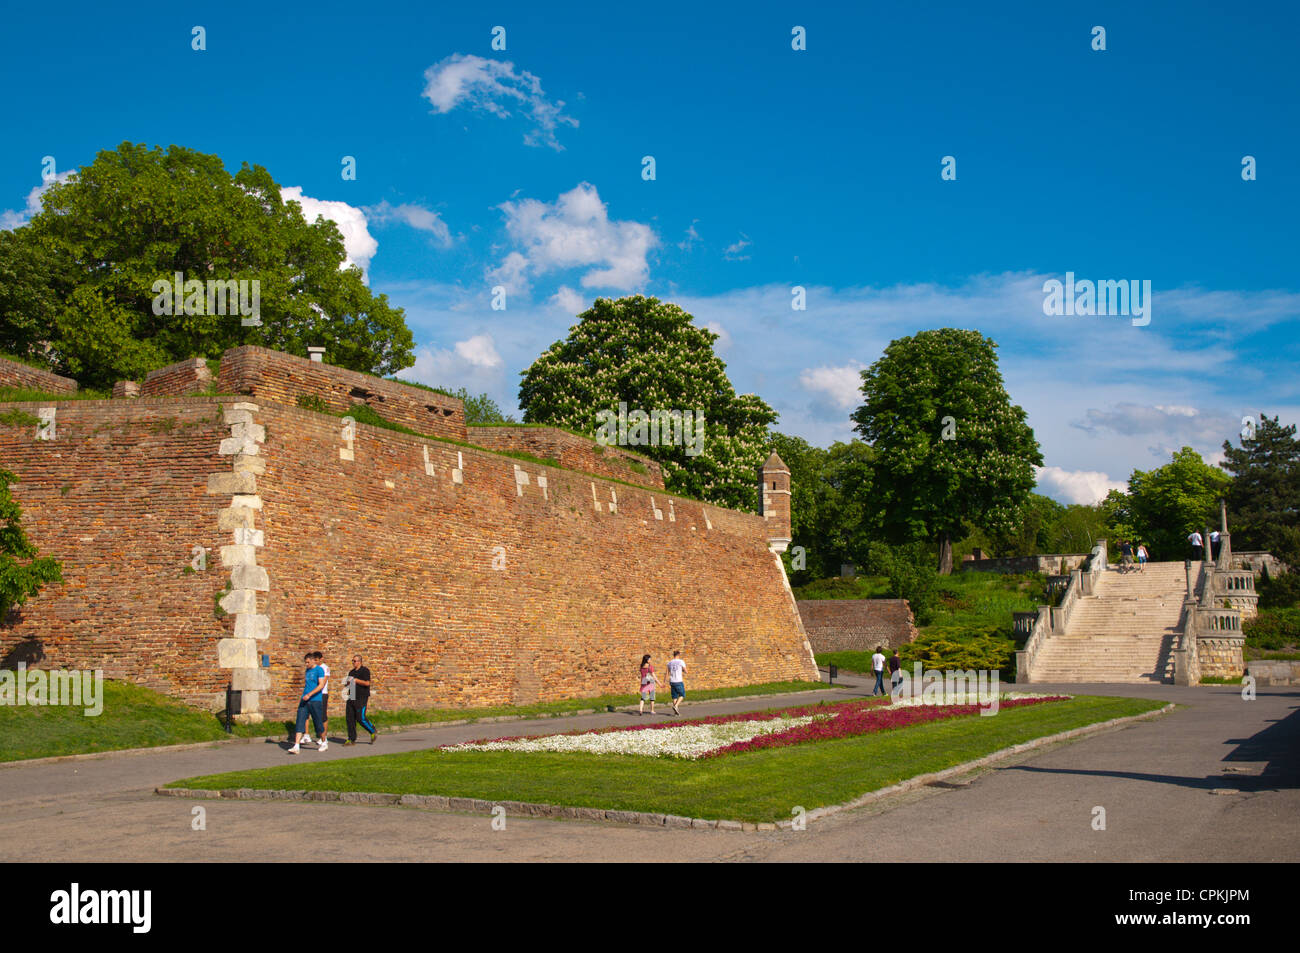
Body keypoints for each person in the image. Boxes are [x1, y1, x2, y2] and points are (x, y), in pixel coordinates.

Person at [289, 653, 327, 754]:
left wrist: (310, 694)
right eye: (305, 662)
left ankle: (324, 742)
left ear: (313, 660)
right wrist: (305, 695)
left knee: (318, 721)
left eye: (308, 662)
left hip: (315, 699)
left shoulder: (319, 670)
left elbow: (321, 685)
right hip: (304, 699)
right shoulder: (307, 670)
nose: (306, 664)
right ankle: (296, 745)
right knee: (300, 719)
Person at [343, 654, 377, 745]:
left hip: (361, 697)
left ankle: (372, 730)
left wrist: (356, 680)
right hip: (352, 696)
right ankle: (351, 738)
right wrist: (347, 683)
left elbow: (367, 683)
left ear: (359, 662)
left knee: (360, 718)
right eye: (352, 661)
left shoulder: (365, 671)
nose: (353, 662)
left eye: (355, 661)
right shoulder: (351, 672)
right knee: (350, 718)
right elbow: (349, 683)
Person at [666, 650, 687, 716]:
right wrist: (683, 670)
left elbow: (667, 673)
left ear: (673, 655)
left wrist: (664, 681)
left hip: (672, 681)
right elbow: (686, 671)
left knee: (674, 696)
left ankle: (675, 713)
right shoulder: (681, 661)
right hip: (678, 680)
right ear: (678, 655)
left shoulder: (669, 663)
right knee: (682, 694)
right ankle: (676, 706)